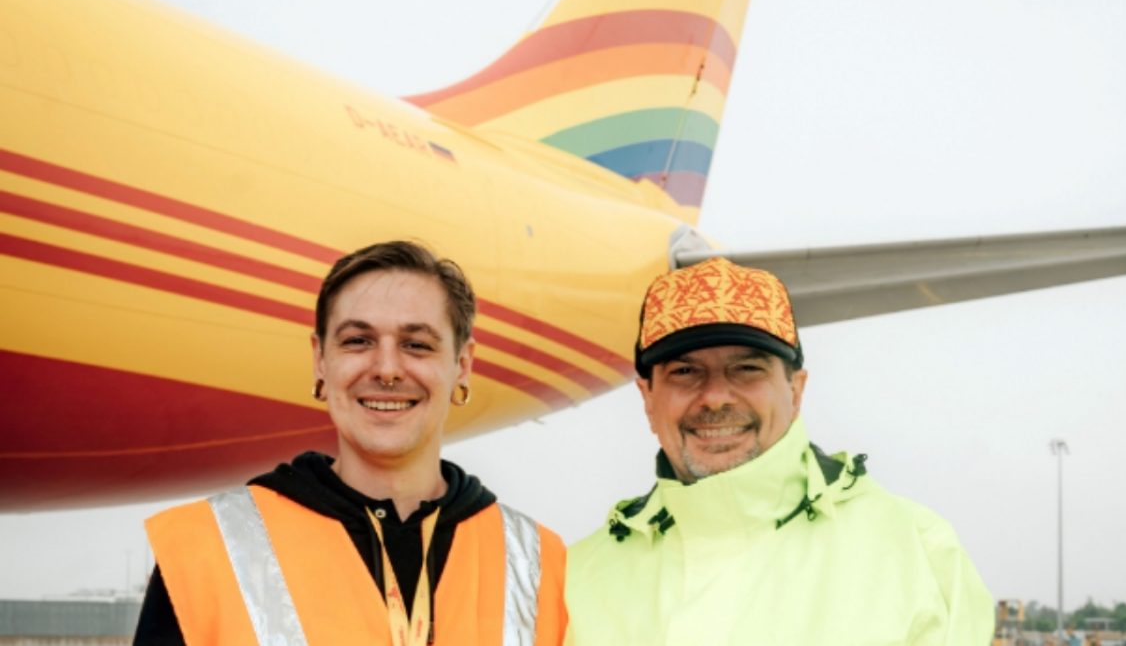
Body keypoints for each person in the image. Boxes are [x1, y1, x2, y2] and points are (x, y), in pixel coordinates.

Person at [135, 241, 566, 645]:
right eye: (358, 341)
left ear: (463, 364)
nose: (387, 369)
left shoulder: (539, 564)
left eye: (417, 344)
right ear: (321, 359)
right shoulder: (207, 549)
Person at [564, 257, 994, 645]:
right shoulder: (574, 581)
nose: (715, 397)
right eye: (685, 371)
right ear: (647, 398)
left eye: (747, 368)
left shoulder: (918, 553)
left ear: (796, 389)